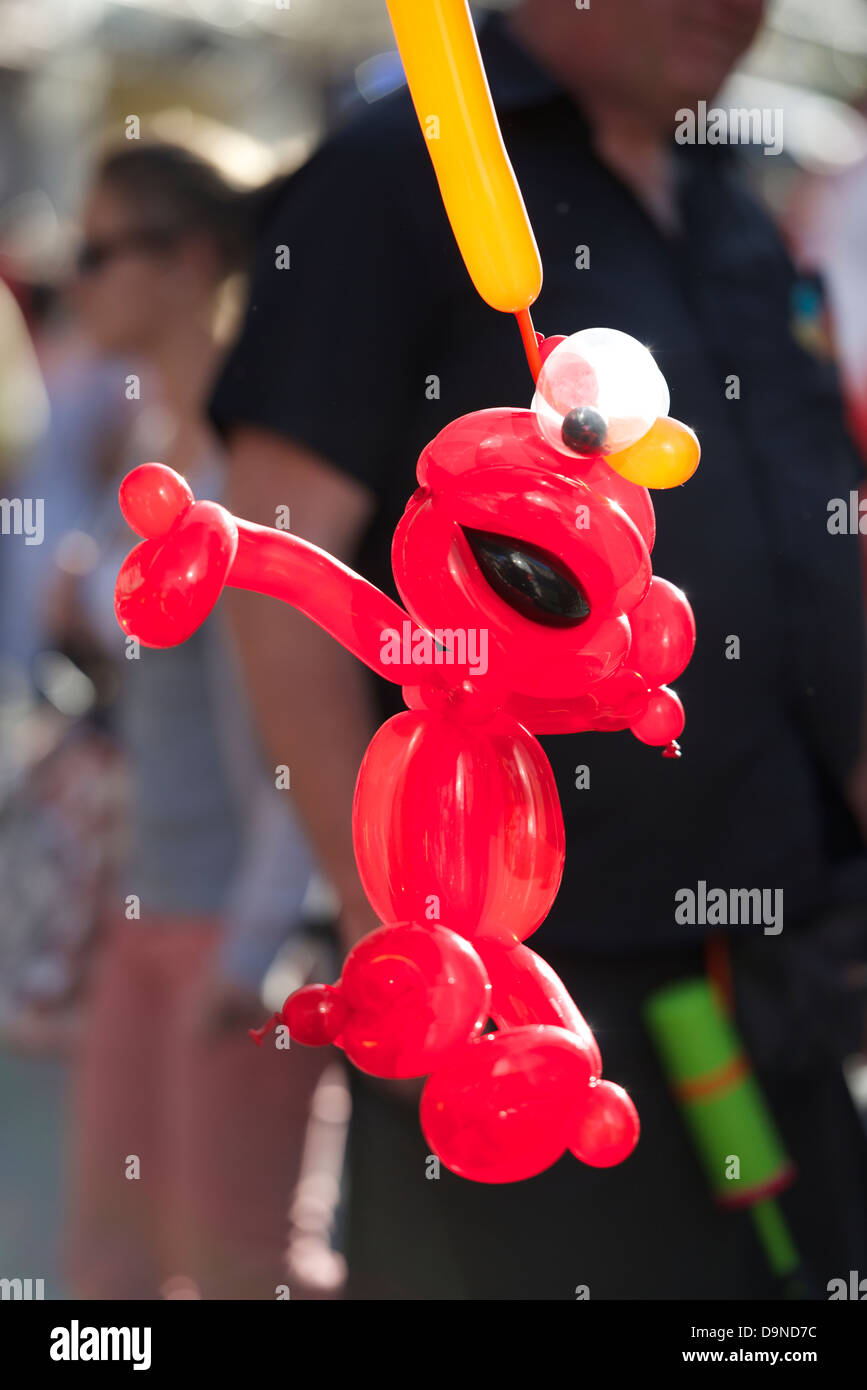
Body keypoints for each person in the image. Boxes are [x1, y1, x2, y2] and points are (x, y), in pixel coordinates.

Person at [209, 0, 867, 1298]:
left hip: (781, 965)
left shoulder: (730, 199)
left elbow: (807, 559)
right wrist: (396, 936)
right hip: (524, 1005)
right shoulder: (390, 178)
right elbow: (283, 566)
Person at [61, 143, 329, 1300]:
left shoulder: (247, 459)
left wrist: (261, 939)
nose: (79, 282)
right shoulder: (140, 437)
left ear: (190, 261)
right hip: (146, 912)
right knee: (110, 1269)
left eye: (100, 250)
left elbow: (290, 715)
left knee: (237, 1269)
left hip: (237, 928)